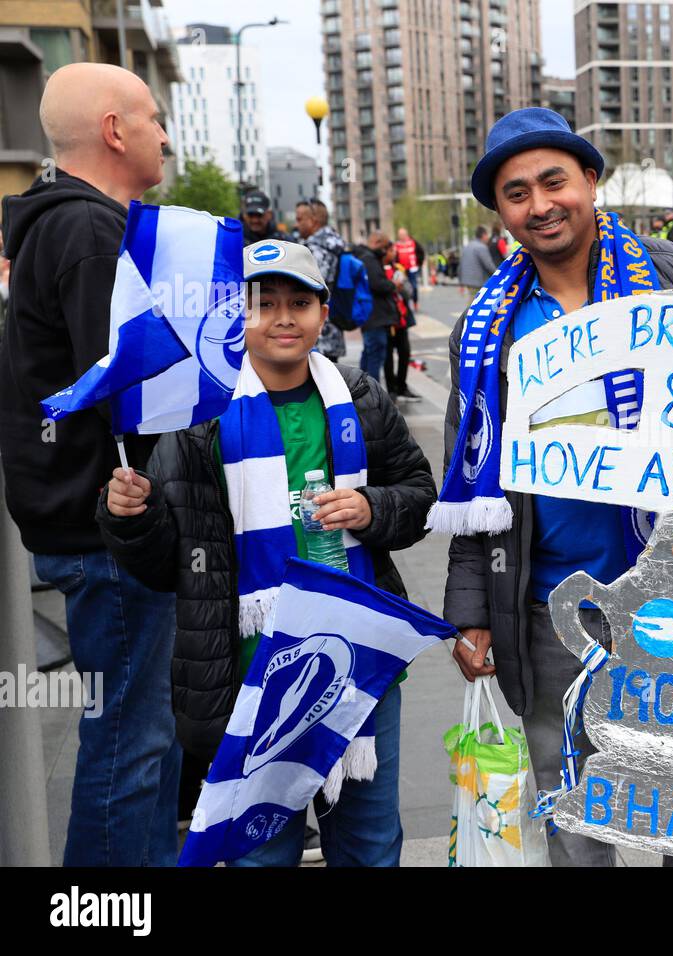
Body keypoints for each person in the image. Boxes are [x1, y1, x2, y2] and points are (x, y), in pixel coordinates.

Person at [434, 107, 673, 867]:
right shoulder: (487, 327)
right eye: (516, 193)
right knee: (571, 813)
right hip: (549, 609)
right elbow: (472, 484)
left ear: (590, 180)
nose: (539, 205)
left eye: (554, 182)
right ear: (500, 211)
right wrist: (469, 614)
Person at [97, 240, 434, 866]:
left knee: (369, 841)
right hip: (250, 670)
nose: (283, 316)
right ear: (233, 315)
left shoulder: (359, 396)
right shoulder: (198, 416)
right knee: (260, 852)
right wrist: (131, 517)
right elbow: (163, 562)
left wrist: (371, 509)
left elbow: (419, 495)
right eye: (262, 303)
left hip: (360, 660)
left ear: (322, 312)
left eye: (299, 301)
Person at [0, 63, 178, 866]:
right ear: (114, 130)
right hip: (107, 529)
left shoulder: (67, 226)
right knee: (128, 748)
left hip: (89, 519)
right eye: (152, 118)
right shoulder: (87, 231)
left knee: (145, 739)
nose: (164, 135)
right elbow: (120, 384)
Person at [295, 198, 348, 362]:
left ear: (313, 221)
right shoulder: (334, 243)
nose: (297, 225)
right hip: (331, 327)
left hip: (319, 334)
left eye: (300, 219)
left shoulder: (316, 249)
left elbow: (309, 286)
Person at [354, 231, 399, 385]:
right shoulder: (369, 260)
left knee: (369, 354)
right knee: (375, 356)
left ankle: (362, 390)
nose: (386, 250)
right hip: (375, 317)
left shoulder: (367, 258)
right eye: (385, 246)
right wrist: (394, 285)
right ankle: (372, 394)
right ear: (377, 242)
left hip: (371, 317)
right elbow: (377, 284)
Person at [382, 239, 417, 401]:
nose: (394, 253)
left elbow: (408, 291)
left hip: (401, 318)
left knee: (405, 352)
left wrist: (402, 286)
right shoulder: (378, 271)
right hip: (388, 319)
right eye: (391, 250)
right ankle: (392, 389)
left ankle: (402, 385)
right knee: (387, 356)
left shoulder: (398, 269)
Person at [458, 225, 496, 292]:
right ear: (484, 235)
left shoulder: (468, 246)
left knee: (471, 300)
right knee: (476, 301)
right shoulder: (481, 247)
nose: (488, 238)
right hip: (477, 283)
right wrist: (499, 274)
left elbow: (460, 265)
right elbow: (489, 265)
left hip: (467, 281)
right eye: (487, 235)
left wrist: (461, 281)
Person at [394, 227, 420, 306]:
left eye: (403, 234)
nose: (401, 236)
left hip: (412, 268)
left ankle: (415, 301)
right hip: (402, 269)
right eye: (400, 235)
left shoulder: (413, 243)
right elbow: (394, 256)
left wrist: (420, 263)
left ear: (406, 234)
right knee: (403, 287)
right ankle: (406, 303)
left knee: (414, 286)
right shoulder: (397, 245)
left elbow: (420, 252)